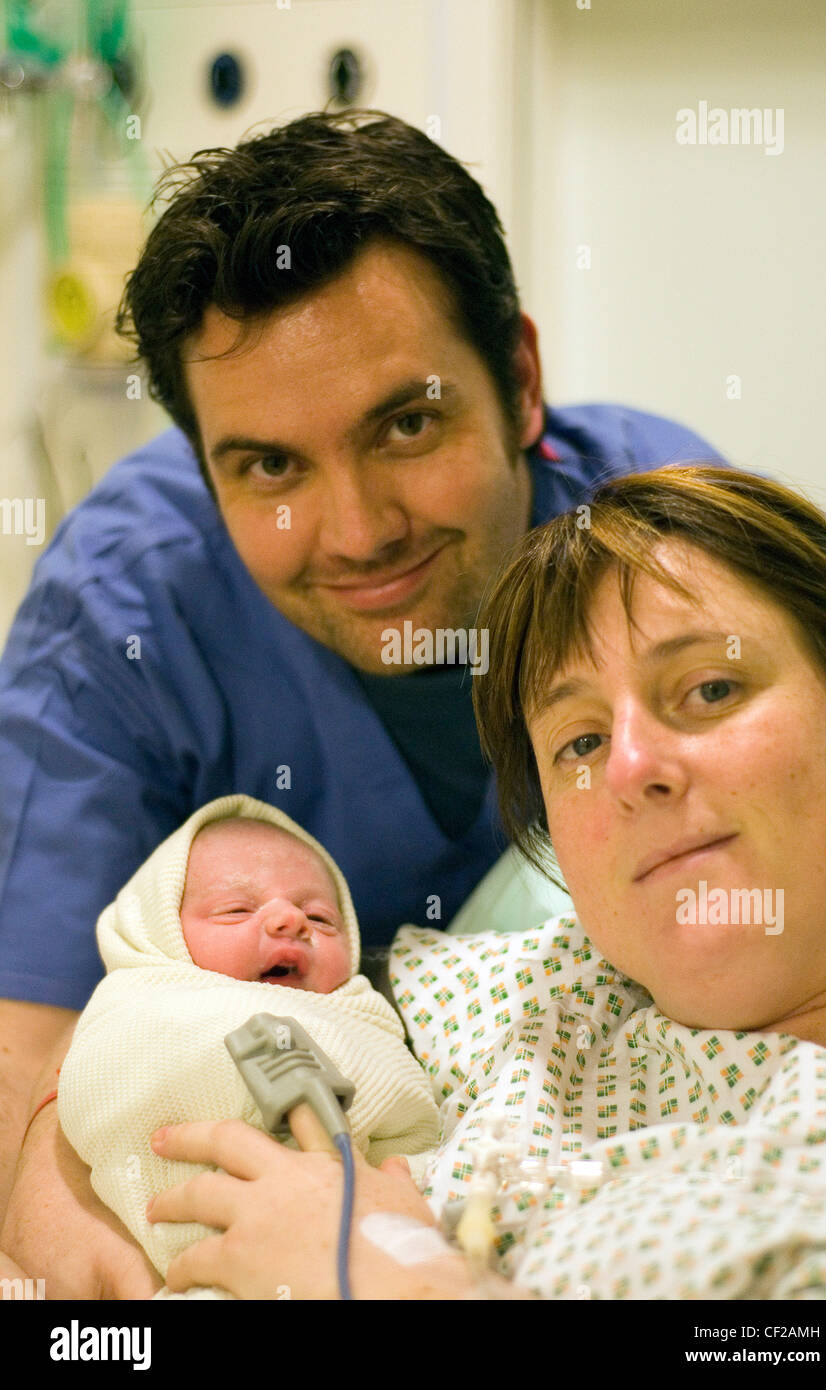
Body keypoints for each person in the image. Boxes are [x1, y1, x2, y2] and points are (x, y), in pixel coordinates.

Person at [0, 107, 730, 1284]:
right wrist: (51, 1174)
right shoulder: (125, 616)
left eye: (406, 423)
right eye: (270, 466)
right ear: (203, 467)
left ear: (523, 382)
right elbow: (22, 1041)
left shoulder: (670, 547)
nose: (357, 531)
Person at [143, 466, 826, 1299]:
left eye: (710, 688)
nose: (630, 766)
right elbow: (172, 975)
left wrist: (391, 1279)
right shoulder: (530, 996)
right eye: (581, 744)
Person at [50, 794, 437, 1299]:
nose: (290, 921)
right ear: (159, 936)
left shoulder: (365, 1017)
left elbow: (414, 1133)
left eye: (320, 918)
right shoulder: (140, 1009)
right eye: (236, 910)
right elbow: (109, 1091)